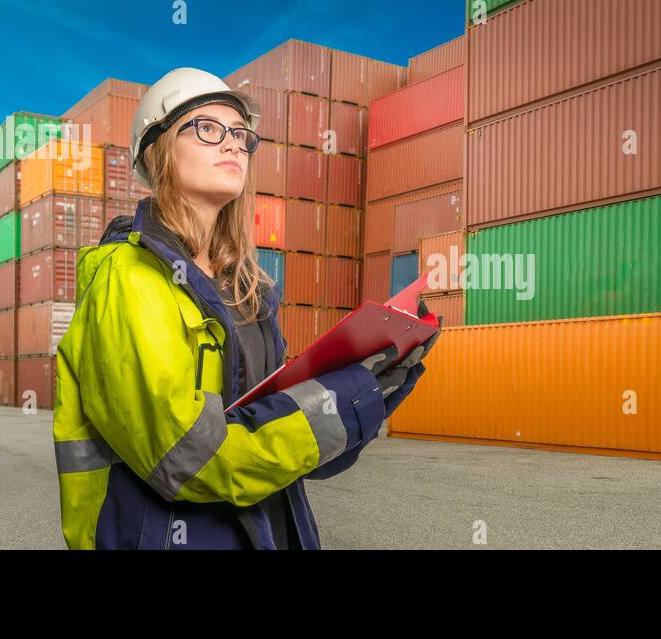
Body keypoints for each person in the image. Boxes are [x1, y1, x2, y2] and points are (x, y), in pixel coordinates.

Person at [51, 67, 437, 549]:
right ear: (158, 150)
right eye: (208, 128)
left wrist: (369, 392)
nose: (233, 144)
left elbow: (286, 443)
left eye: (240, 134)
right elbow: (189, 459)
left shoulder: (247, 289)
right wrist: (342, 401)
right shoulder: (127, 279)